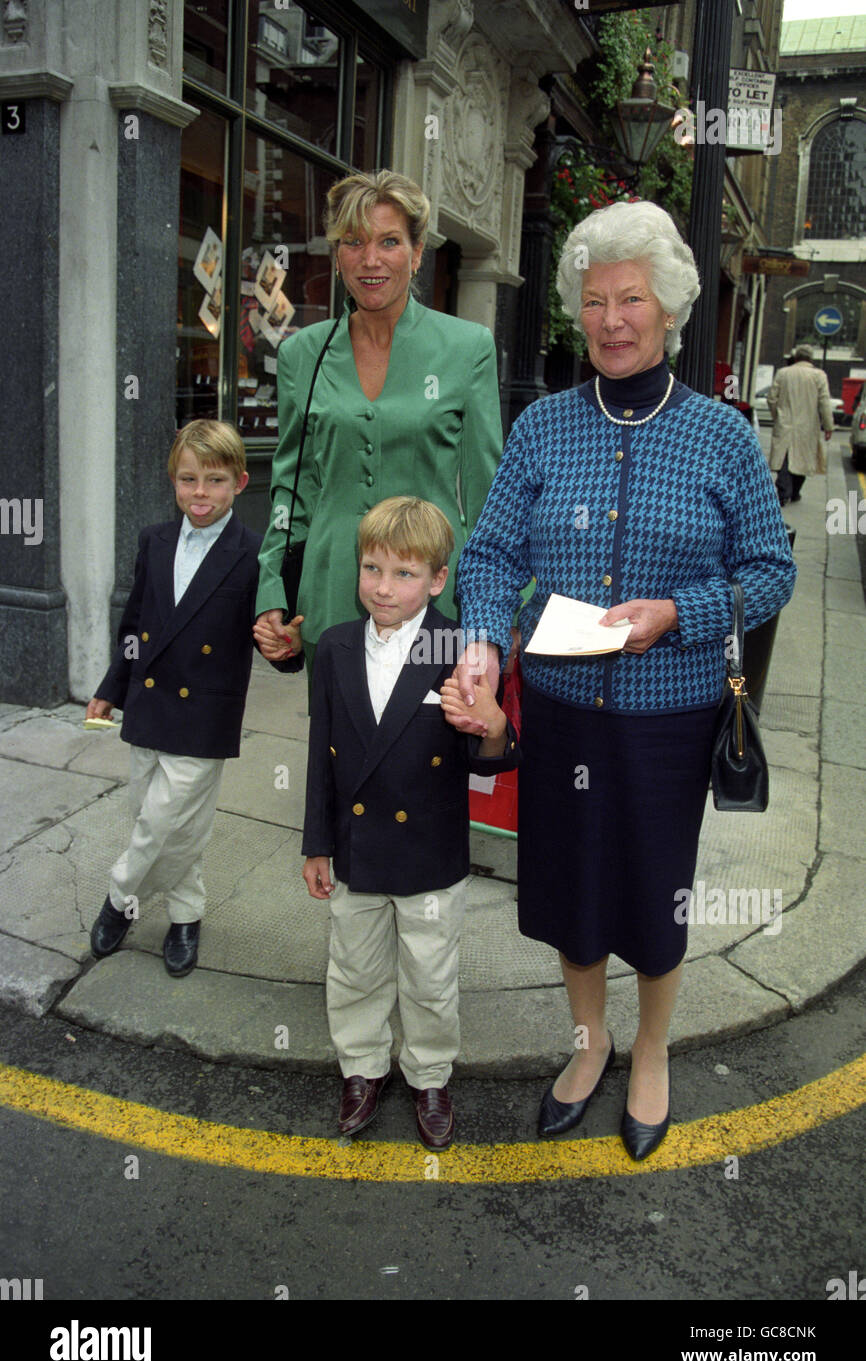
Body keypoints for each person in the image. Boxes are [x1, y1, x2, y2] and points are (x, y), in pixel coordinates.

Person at [449, 200, 796, 1161]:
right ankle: (587, 1040)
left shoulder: (722, 435)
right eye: (596, 300)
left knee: (652, 889)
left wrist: (676, 613)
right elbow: (486, 557)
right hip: (559, 709)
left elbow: (772, 571)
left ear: (669, 309)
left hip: (667, 719)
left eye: (631, 298)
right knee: (570, 886)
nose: (611, 319)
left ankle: (651, 1049)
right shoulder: (544, 427)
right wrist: (482, 644)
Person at [301, 496, 520, 1149]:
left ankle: (428, 1075)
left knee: (429, 977)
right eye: (372, 569)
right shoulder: (336, 647)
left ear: (437, 579)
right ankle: (363, 1068)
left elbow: (490, 758)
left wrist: (494, 727)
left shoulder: (461, 647)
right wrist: (317, 844)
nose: (383, 587)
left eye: (402, 573)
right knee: (354, 970)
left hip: (429, 852)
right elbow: (321, 757)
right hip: (357, 849)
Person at [254, 169, 503, 677]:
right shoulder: (303, 353)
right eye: (354, 241)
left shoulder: (467, 347)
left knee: (426, 747)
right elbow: (290, 488)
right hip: (330, 590)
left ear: (415, 255)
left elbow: (487, 493)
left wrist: (494, 613)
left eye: (389, 242)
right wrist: (271, 590)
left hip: (431, 592)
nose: (371, 259)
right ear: (337, 254)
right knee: (337, 746)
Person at [87, 420, 300, 977]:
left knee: (160, 823)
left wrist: (284, 646)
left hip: (205, 711)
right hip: (148, 703)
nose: (199, 493)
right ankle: (186, 916)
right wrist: (112, 689)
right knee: (164, 823)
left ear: (239, 482)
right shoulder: (153, 540)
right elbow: (134, 624)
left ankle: (119, 898)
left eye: (214, 480)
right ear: (173, 481)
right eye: (188, 479)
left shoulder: (257, 553)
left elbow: (276, 634)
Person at [767, 344, 834, 506]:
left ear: (795, 358)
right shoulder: (819, 376)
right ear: (811, 359)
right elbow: (824, 402)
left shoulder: (783, 373)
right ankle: (794, 491)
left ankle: (784, 492)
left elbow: (771, 398)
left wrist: (778, 415)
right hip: (808, 426)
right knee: (802, 460)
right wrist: (828, 426)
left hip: (785, 423)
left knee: (784, 458)